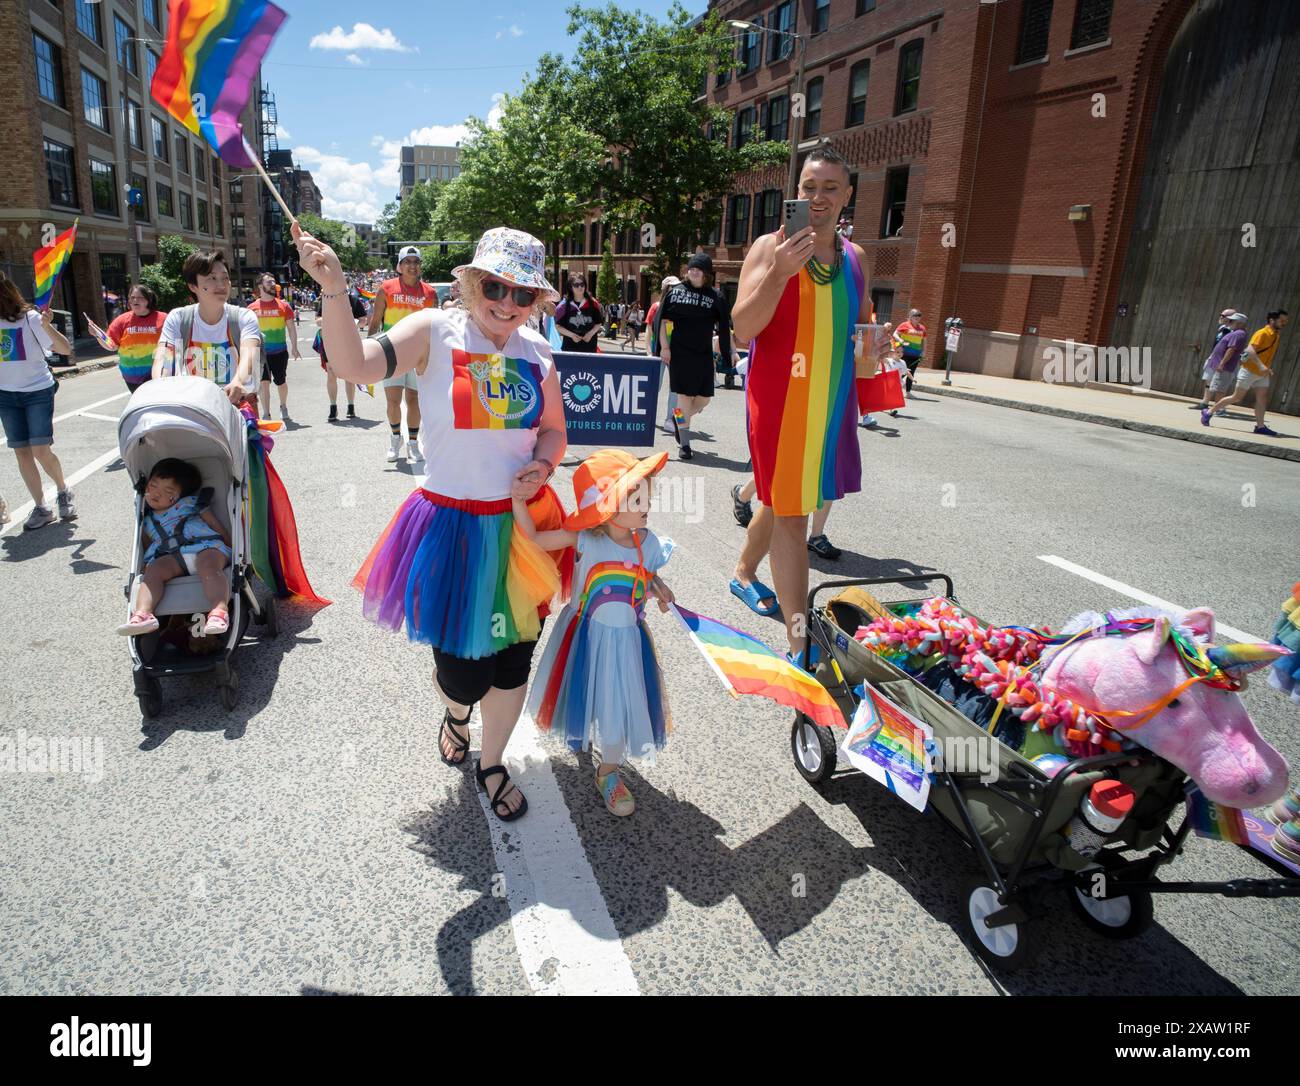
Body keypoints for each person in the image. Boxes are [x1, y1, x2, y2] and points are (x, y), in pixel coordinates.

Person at [295, 221, 569, 822]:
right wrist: (336, 288)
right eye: (496, 287)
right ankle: (455, 712)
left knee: (513, 660)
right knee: (463, 674)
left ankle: (492, 762)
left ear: (537, 300)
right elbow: (355, 362)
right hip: (450, 528)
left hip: (519, 529)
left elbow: (553, 429)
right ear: (473, 283)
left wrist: (544, 465)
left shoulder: (539, 353)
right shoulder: (434, 331)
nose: (508, 303)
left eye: (524, 294)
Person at [730, 146, 878, 654]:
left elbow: (861, 347)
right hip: (779, 405)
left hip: (832, 409)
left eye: (830, 188)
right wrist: (778, 275)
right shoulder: (771, 248)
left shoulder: (855, 259)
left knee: (783, 501)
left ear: (847, 196)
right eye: (809, 187)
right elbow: (741, 331)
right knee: (791, 514)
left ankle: (744, 571)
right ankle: (799, 644)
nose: (817, 198)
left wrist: (875, 346)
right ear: (797, 192)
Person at [517, 449, 675, 816]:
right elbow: (535, 540)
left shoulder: (648, 543)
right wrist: (516, 502)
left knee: (620, 703)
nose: (647, 504)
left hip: (629, 643)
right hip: (586, 640)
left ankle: (608, 772)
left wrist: (659, 587)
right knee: (585, 692)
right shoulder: (585, 539)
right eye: (637, 497)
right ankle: (588, 740)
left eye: (647, 496)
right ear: (608, 504)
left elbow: (645, 574)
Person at [117, 458, 232, 637]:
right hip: (171, 557)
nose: (156, 493)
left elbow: (214, 523)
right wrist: (148, 563)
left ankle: (219, 611)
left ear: (180, 495)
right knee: (153, 572)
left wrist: (229, 544)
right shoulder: (145, 519)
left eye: (167, 491)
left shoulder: (190, 503)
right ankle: (143, 613)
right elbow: (148, 545)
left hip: (204, 546)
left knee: (208, 566)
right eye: (153, 486)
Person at [0, 270, 76, 530]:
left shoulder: (30, 319)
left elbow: (65, 349)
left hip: (37, 392)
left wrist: (47, 327)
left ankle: (63, 490)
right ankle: (42, 507)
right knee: (22, 452)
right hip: (5, 395)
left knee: (40, 450)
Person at [152, 250, 260, 407]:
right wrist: (160, 384)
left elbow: (249, 354)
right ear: (193, 286)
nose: (221, 284)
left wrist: (238, 381)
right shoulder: (178, 319)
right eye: (212, 278)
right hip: (194, 410)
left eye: (225, 278)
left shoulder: (244, 317)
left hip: (238, 407)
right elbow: (165, 358)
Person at [656, 253, 731, 460]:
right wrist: (664, 347)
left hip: (703, 355)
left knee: (704, 399)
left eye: (698, 269)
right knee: (683, 397)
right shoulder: (676, 293)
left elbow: (725, 326)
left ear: (706, 274)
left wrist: (728, 352)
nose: (694, 271)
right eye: (691, 268)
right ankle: (685, 445)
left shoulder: (716, 297)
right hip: (680, 354)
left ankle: (679, 417)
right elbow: (661, 321)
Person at [369, 246, 437, 464]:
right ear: (399, 266)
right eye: (407, 261)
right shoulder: (386, 288)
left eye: (416, 261)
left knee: (414, 400)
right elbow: (375, 321)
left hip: (418, 356)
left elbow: (433, 327)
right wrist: (369, 351)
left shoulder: (430, 293)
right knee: (393, 401)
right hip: (391, 354)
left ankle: (414, 443)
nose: (412, 265)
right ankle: (395, 437)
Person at [1203, 309, 1289, 436]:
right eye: (1282, 320)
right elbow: (1250, 350)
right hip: (1249, 371)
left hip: (1262, 373)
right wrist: (1261, 366)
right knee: (1236, 397)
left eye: (1286, 321)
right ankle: (1208, 412)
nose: (1284, 323)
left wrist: (1265, 368)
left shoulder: (1276, 335)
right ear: (1272, 320)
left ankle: (1260, 426)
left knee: (1262, 399)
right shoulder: (1262, 333)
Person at [94, 284, 167, 394]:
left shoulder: (163, 319)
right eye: (132, 297)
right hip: (131, 377)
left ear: (148, 300)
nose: (135, 300)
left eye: (140, 297)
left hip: (156, 373)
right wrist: (97, 335)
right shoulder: (122, 320)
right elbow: (111, 346)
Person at [249, 273, 302, 420]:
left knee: (281, 382)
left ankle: (283, 405)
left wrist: (295, 347)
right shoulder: (251, 308)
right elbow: (247, 332)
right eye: (269, 282)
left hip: (280, 351)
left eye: (274, 281)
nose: (273, 284)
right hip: (260, 353)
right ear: (260, 286)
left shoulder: (284, 306)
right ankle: (266, 413)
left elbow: (291, 328)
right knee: (264, 383)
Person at [314, 290, 369, 420]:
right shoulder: (327, 300)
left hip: (348, 340)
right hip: (330, 341)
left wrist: (353, 322)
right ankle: (333, 407)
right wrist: (333, 319)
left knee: (349, 375)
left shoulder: (353, 300)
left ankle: (351, 406)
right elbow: (318, 321)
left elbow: (363, 321)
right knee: (331, 373)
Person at [1197, 312, 1248, 418]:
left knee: (1220, 390)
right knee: (1218, 388)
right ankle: (1217, 409)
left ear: (1239, 323)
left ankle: (1219, 410)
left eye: (1231, 321)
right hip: (1222, 366)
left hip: (1225, 367)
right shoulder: (1236, 332)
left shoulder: (1238, 334)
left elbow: (1231, 349)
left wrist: (1222, 364)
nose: (1229, 323)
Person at [645, 275, 679, 426]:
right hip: (657, 353)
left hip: (677, 355)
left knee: (676, 391)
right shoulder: (656, 307)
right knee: (653, 387)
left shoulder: (682, 308)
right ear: (665, 289)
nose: (675, 290)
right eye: (672, 287)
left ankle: (672, 420)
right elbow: (648, 330)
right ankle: (646, 415)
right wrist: (648, 351)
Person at [554, 274, 603, 353]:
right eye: (576, 285)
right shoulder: (563, 306)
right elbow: (558, 326)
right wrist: (572, 335)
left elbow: (598, 323)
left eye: (582, 284)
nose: (580, 287)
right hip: (569, 347)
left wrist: (590, 334)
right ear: (571, 287)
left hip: (590, 347)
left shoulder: (593, 303)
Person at [893, 308, 926, 393]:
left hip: (916, 354)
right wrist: (901, 341)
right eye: (915, 316)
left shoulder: (922, 328)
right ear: (910, 316)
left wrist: (923, 351)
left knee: (912, 373)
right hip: (905, 353)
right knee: (903, 372)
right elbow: (895, 334)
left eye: (919, 316)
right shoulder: (904, 325)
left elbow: (924, 340)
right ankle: (893, 388)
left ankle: (908, 392)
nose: (917, 318)